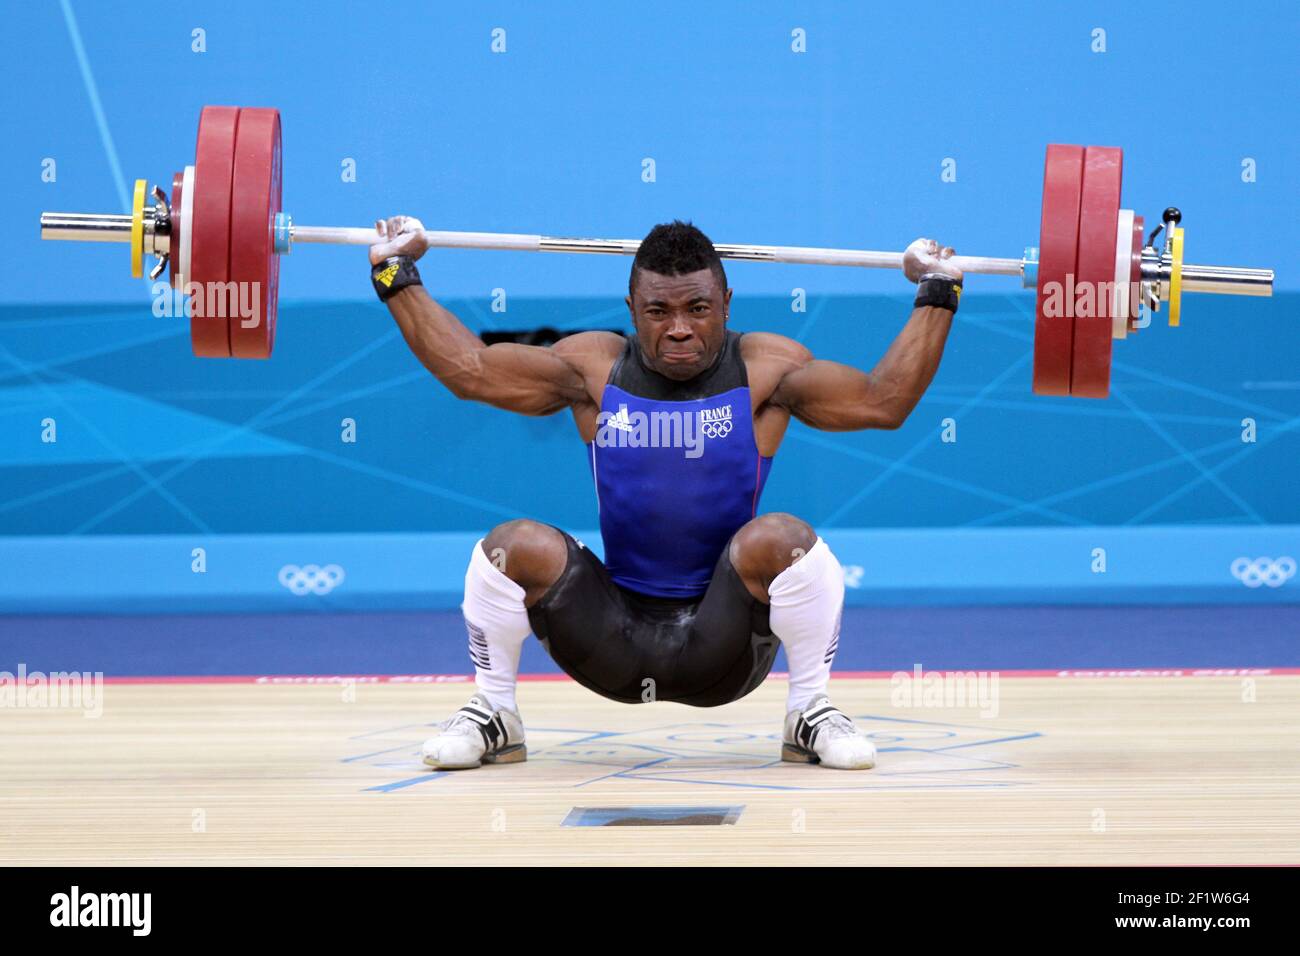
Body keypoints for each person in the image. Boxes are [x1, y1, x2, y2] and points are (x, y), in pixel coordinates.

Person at [368, 218, 962, 770]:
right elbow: (470, 369)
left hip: (724, 643)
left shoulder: (768, 370)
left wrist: (936, 291)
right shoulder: (592, 369)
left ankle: (809, 709)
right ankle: (494, 709)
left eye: (698, 308)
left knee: (783, 539)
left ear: (726, 306)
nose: (679, 328)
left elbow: (884, 402)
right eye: (658, 311)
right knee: (511, 545)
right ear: (632, 309)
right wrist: (397, 273)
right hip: (609, 639)